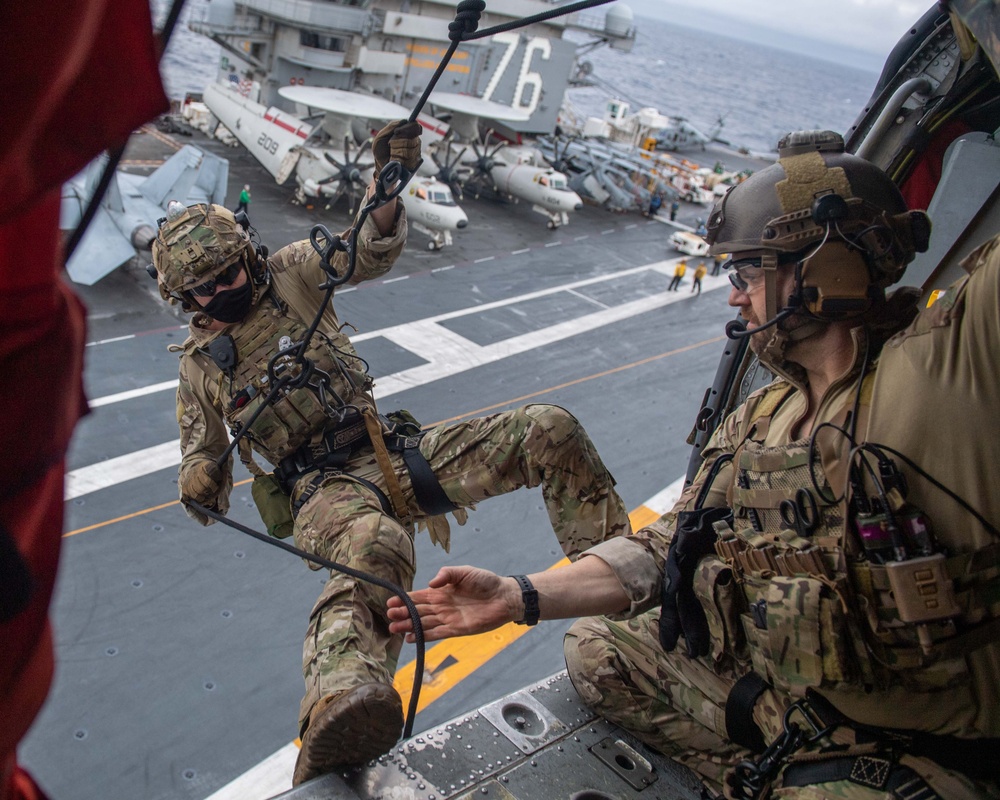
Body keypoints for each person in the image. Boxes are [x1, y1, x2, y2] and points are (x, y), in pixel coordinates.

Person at [388, 131, 1000, 799]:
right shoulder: (762, 416)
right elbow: (667, 544)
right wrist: (518, 596)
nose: (735, 296)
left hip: (933, 742)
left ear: (821, 272)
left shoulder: (950, 371)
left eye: (747, 275)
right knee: (598, 651)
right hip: (797, 703)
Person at [150, 120, 631, 786]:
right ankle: (338, 704)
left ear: (250, 257)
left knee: (546, 429)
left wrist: (386, 191)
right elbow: (200, 459)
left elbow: (362, 252)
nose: (224, 288)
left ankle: (623, 587)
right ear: (186, 300)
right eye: (206, 288)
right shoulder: (200, 370)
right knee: (377, 548)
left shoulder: (291, 276)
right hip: (322, 490)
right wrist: (201, 477)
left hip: (392, 450)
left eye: (230, 271)